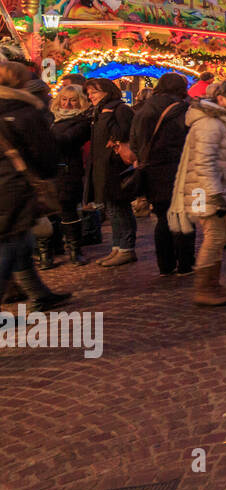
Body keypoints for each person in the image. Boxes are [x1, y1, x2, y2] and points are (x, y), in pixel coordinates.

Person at [169, 80, 226, 306]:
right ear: (220, 99)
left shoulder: (221, 122)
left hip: (215, 188)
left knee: (218, 236)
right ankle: (204, 288)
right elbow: (204, 163)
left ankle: (212, 284)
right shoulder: (210, 124)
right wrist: (215, 195)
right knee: (214, 237)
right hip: (204, 191)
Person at [0, 61, 70, 311]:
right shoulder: (23, 110)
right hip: (13, 186)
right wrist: (49, 173)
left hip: (7, 183)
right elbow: (44, 152)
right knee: (11, 244)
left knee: (20, 242)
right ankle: (37, 294)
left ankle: (39, 293)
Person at [127, 73, 193, 279]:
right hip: (177, 168)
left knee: (162, 216)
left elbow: (134, 141)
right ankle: (185, 263)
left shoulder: (144, 109)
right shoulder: (182, 110)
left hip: (152, 170)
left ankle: (165, 265)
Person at [85, 78, 137, 266]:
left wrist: (107, 119)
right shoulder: (98, 111)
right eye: (89, 92)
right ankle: (116, 247)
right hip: (102, 165)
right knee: (112, 208)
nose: (90, 96)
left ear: (107, 91)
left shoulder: (118, 109)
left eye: (94, 92)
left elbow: (125, 133)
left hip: (116, 166)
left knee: (120, 208)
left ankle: (126, 248)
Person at [47, 83, 94, 267]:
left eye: (72, 100)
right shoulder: (52, 118)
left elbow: (67, 141)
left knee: (67, 209)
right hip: (50, 169)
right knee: (49, 211)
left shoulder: (82, 121)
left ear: (80, 102)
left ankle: (75, 250)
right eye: (64, 99)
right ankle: (49, 251)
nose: (66, 104)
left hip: (68, 170)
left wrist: (41, 137)